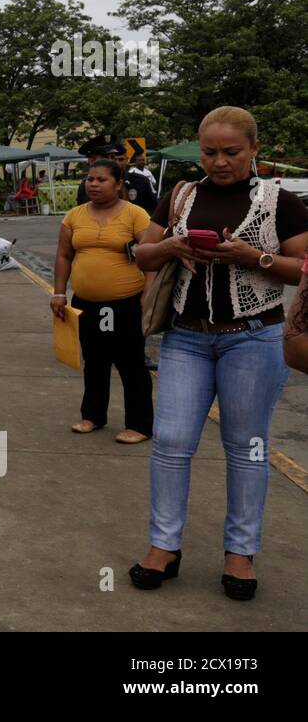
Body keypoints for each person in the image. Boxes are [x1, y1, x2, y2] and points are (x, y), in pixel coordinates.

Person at [129, 106, 308, 599]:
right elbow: (140, 253)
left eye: (231, 152)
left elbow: (304, 267)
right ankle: (164, 546)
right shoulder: (183, 194)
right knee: (169, 441)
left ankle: (240, 553)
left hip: (253, 337)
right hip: (187, 336)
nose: (220, 161)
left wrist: (256, 258)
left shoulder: (279, 201)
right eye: (210, 152)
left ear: (253, 149)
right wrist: (174, 247)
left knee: (247, 446)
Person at [51, 159, 154, 443]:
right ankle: (93, 415)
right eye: (90, 179)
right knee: (94, 361)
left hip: (126, 303)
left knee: (131, 363)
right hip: (86, 302)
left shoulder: (136, 215)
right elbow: (63, 256)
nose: (93, 184)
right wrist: (59, 293)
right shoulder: (74, 216)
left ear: (118, 184)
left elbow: (150, 259)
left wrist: (148, 294)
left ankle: (140, 424)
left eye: (101, 180)